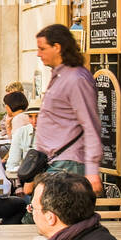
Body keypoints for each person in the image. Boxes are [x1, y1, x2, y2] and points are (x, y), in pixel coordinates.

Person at [31, 23, 103, 194]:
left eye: (42, 48)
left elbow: (91, 125)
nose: (38, 54)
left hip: (68, 165)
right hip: (54, 163)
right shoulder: (60, 75)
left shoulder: (76, 79)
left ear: (57, 47)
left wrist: (92, 172)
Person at [7, 102, 40, 175]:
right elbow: (12, 163)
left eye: (37, 116)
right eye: (30, 116)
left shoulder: (53, 133)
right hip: (27, 176)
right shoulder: (21, 132)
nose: (34, 121)